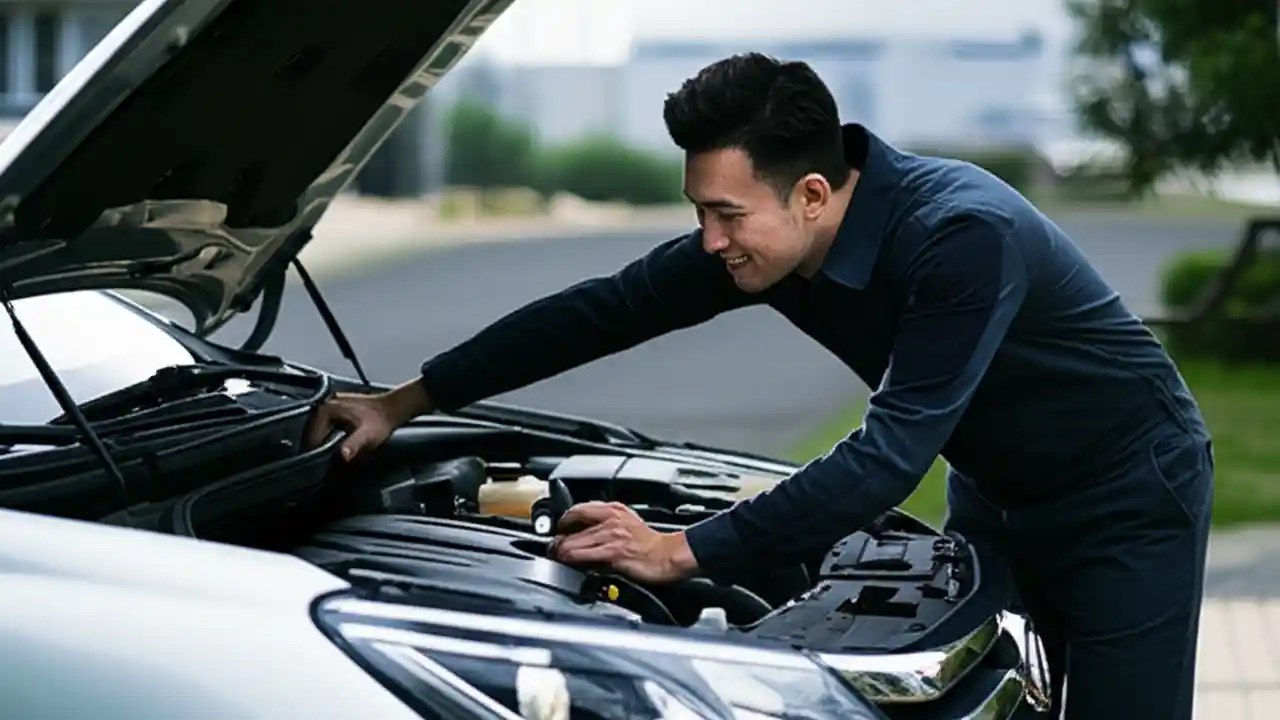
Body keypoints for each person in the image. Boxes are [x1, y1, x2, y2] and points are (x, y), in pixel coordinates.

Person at [306, 53, 1213, 718]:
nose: (709, 240)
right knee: (989, 704)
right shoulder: (759, 246)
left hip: (1125, 491)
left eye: (725, 214)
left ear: (813, 195)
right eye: (700, 211)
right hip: (995, 482)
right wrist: (399, 404)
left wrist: (679, 552)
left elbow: (885, 458)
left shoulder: (962, 236)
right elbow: (597, 313)